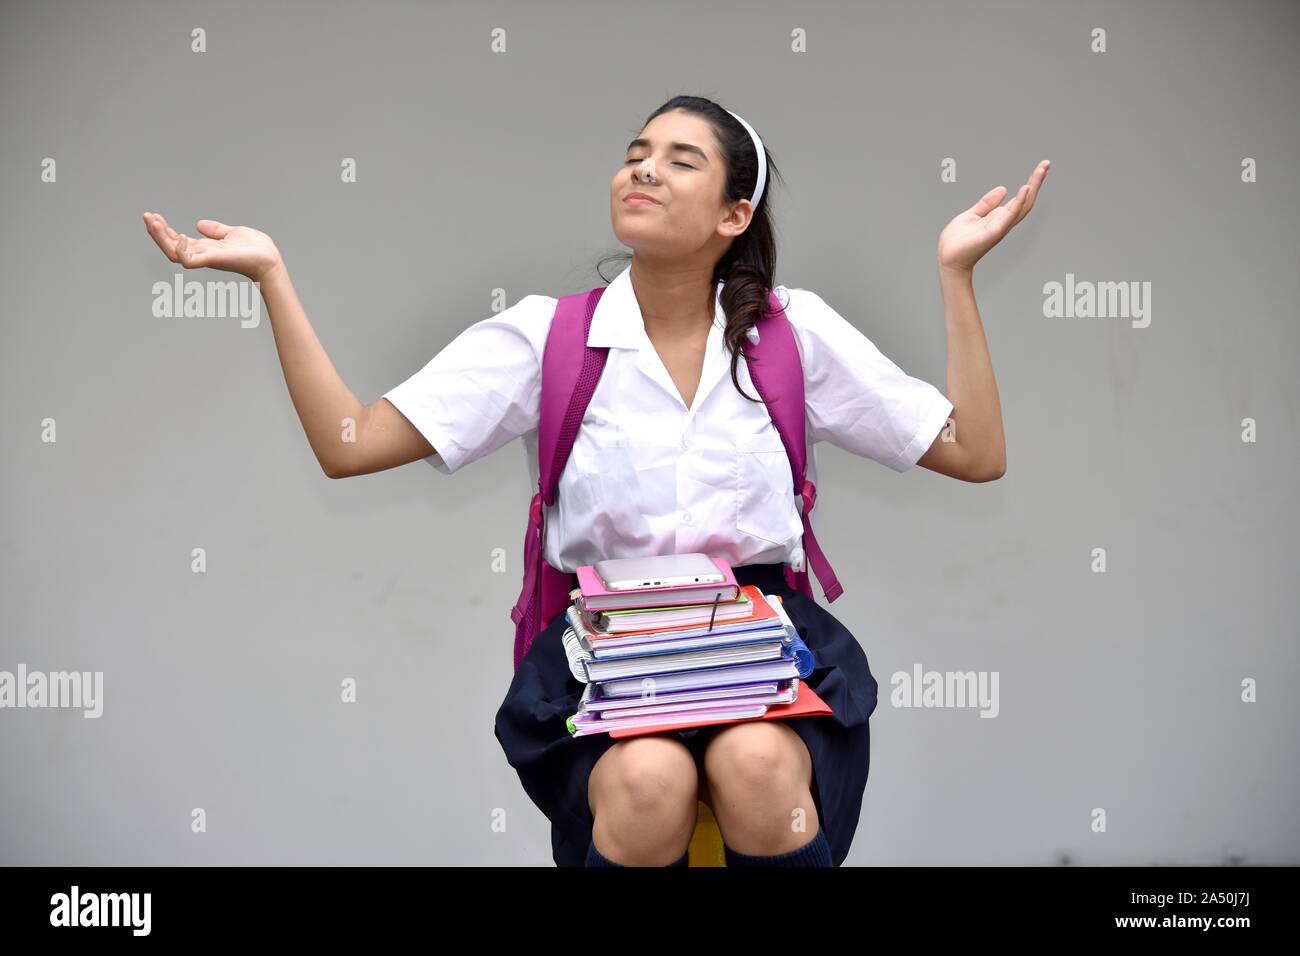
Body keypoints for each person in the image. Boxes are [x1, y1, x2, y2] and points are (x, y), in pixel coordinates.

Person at [141, 93, 1048, 867]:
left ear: (735, 215)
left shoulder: (793, 333)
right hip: (608, 657)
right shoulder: (548, 337)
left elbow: (975, 452)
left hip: (765, 653)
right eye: (634, 156)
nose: (643, 171)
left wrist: (956, 274)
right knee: (650, 781)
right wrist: (270, 277)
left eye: (680, 161)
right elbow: (352, 441)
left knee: (759, 770)